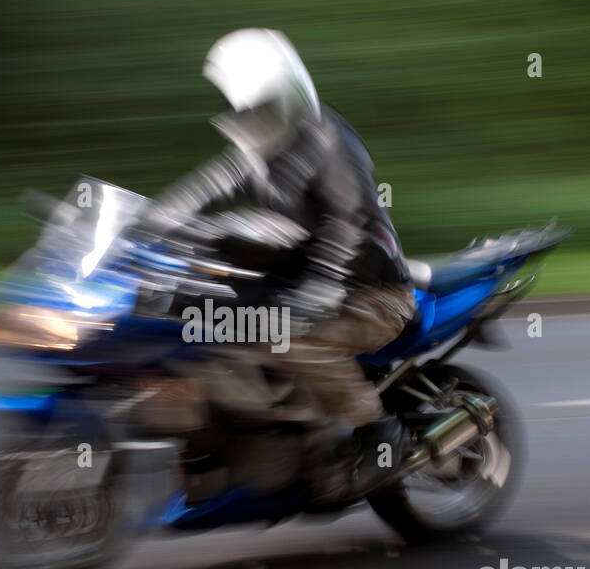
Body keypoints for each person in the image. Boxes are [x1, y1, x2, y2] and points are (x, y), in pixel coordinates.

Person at [146, 28, 416, 500]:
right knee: (200, 321)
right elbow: (210, 185)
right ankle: (255, 439)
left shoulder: (330, 142)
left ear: (290, 92)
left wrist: (324, 286)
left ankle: (379, 430)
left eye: (264, 107)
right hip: (300, 282)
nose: (254, 118)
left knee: (290, 338)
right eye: (247, 109)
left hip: (369, 292)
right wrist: (153, 219)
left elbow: (347, 221)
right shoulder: (260, 143)